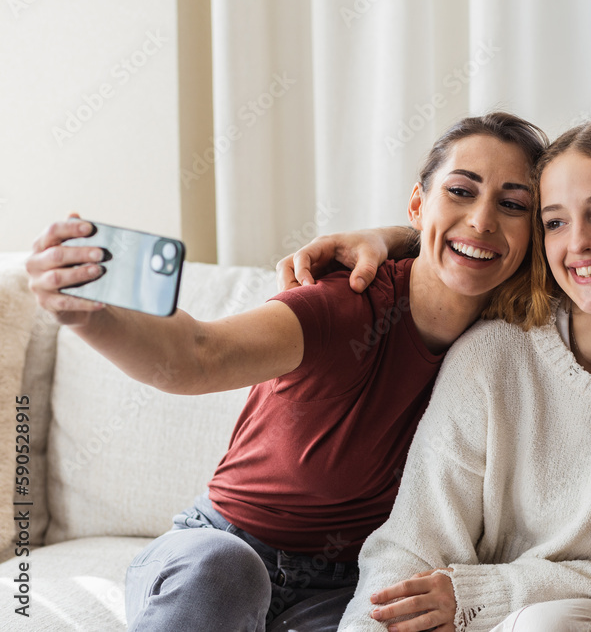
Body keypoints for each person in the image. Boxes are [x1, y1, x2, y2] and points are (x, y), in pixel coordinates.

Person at [25, 112, 548, 632]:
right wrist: (86, 315)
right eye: (460, 191)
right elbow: (196, 354)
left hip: (346, 586)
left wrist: (392, 235)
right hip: (219, 550)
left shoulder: (515, 338)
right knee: (225, 572)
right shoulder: (346, 302)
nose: (483, 219)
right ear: (417, 204)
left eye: (512, 204)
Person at [324, 115, 591, 632]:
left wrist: (484, 594)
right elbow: (416, 539)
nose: (577, 242)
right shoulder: (493, 356)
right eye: (554, 222)